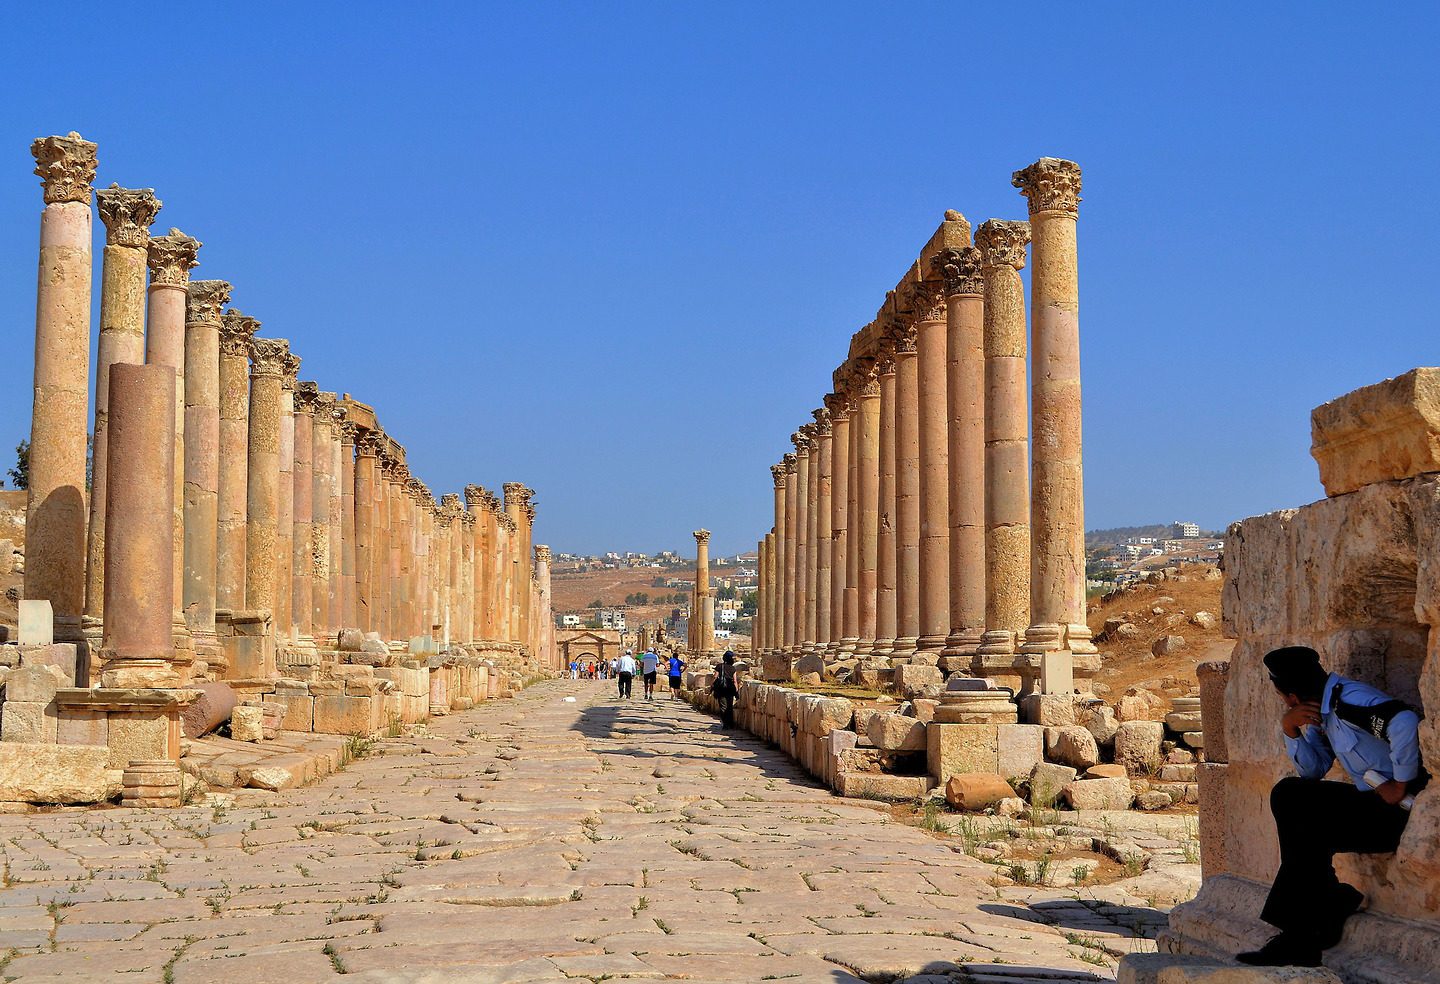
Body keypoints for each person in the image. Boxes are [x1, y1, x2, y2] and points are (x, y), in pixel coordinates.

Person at [1237, 645, 1423, 967]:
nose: (1285, 704)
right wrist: (1291, 730)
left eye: (1283, 698)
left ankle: (1317, 917)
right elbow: (1313, 771)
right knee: (1293, 801)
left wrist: (1400, 784)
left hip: (1399, 811)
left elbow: (1404, 721)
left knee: (1293, 801)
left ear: (1291, 696)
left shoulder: (1349, 701)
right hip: (1374, 806)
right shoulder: (1324, 712)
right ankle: (1320, 912)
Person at [712, 651, 738, 728]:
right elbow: (735, 680)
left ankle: (726, 724)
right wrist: (736, 691)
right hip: (730, 688)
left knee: (723, 706)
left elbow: (715, 676)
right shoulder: (733, 668)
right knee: (729, 706)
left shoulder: (719, 666)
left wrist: (712, 685)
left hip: (721, 689)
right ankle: (731, 723)